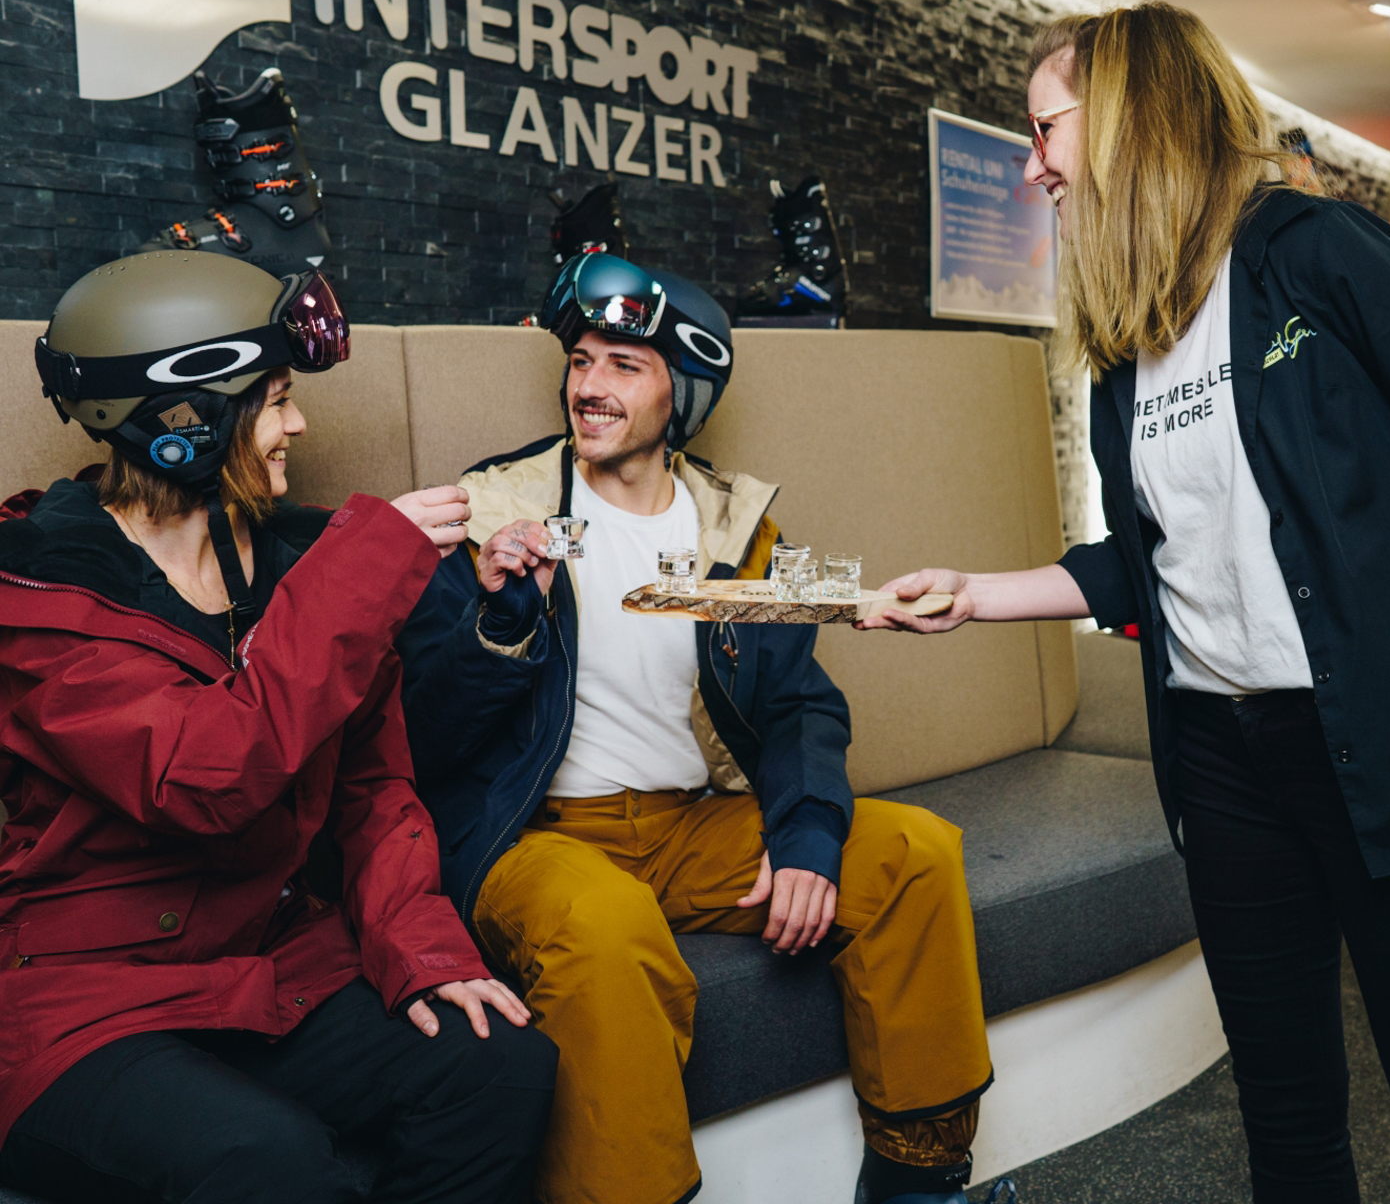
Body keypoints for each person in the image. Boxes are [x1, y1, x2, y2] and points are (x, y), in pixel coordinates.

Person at [860, 2, 1390, 1204]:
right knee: (1286, 1114)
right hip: (1219, 751)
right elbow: (1149, 558)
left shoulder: (1311, 252)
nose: (1031, 166)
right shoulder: (1127, 338)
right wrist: (973, 594)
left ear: (1126, 120)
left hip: (1367, 736)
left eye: (1041, 130)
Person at [396, 252, 1010, 1204]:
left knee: (915, 856)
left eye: (623, 366)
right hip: (537, 837)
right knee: (607, 927)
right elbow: (422, 729)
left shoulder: (741, 534)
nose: (589, 387)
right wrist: (502, 619)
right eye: (580, 361)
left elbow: (799, 702)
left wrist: (806, 836)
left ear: (681, 391)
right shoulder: (495, 511)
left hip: (690, 825)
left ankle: (918, 1184)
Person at [0, 251, 558, 1204]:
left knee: (499, 1065)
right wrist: (361, 569)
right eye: (276, 400)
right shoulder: (39, 592)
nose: (297, 424)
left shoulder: (299, 563)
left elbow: (375, 792)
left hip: (268, 961)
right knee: (266, 1158)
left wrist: (424, 958)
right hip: (83, 998)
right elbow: (206, 777)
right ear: (183, 422)